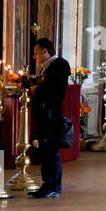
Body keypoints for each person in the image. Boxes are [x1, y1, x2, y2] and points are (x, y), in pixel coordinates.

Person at [29, 37, 71, 199]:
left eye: (36, 53)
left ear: (45, 51)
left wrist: (36, 89)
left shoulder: (59, 65)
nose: (34, 57)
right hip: (45, 114)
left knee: (51, 150)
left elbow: (52, 90)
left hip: (52, 114)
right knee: (45, 151)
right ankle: (47, 185)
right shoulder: (47, 67)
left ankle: (53, 187)